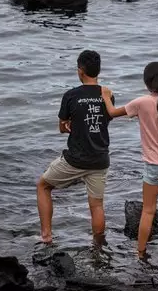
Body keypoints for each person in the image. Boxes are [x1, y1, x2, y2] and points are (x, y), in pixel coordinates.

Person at [101, 62, 158, 260]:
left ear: (148, 82)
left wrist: (105, 97)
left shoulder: (142, 102)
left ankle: (141, 253)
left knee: (148, 210)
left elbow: (111, 113)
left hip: (154, 166)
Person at [37, 50, 115, 245]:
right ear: (98, 70)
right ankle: (98, 247)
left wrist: (71, 125)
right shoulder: (107, 96)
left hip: (76, 159)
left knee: (43, 186)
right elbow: (103, 122)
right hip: (100, 159)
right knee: (97, 206)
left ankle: (46, 236)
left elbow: (62, 128)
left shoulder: (71, 95)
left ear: (80, 71)